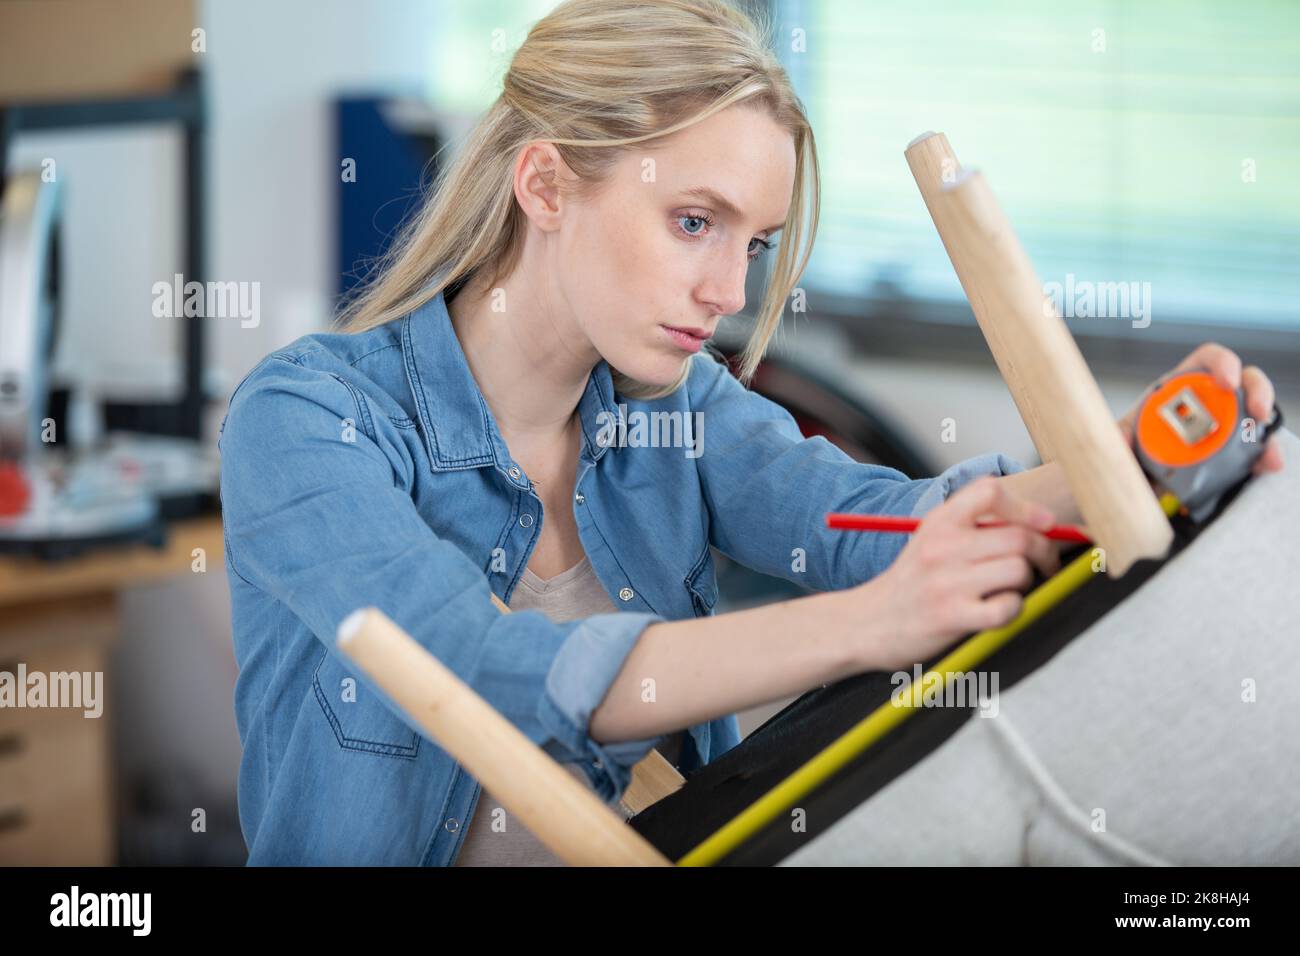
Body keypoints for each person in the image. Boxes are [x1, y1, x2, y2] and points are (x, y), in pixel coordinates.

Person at [217, 0, 1283, 865]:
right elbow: (483, 667)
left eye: (754, 243)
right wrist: (872, 625)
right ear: (544, 185)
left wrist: (1137, 454)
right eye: (694, 221)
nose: (728, 291)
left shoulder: (680, 405)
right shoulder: (304, 422)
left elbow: (880, 523)